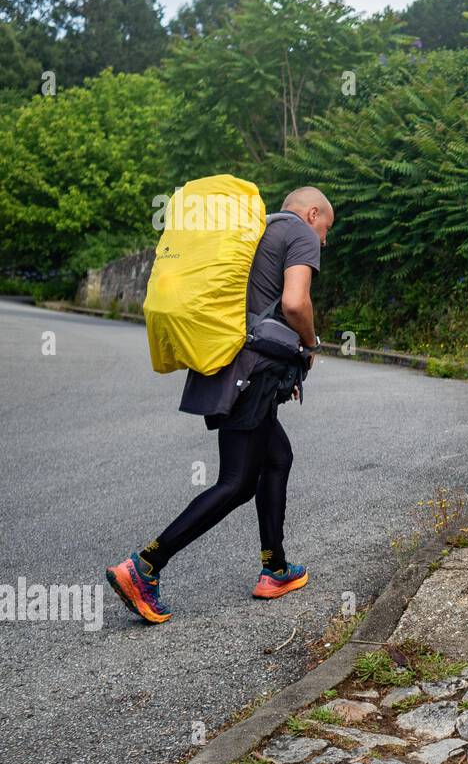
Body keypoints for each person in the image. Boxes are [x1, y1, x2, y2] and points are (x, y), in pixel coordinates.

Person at [106, 186, 334, 624]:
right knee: (235, 483)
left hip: (226, 365)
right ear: (311, 214)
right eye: (326, 229)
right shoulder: (299, 235)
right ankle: (145, 565)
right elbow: (294, 301)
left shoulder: (255, 234)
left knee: (277, 457)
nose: (323, 241)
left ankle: (275, 568)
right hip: (254, 374)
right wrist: (309, 344)